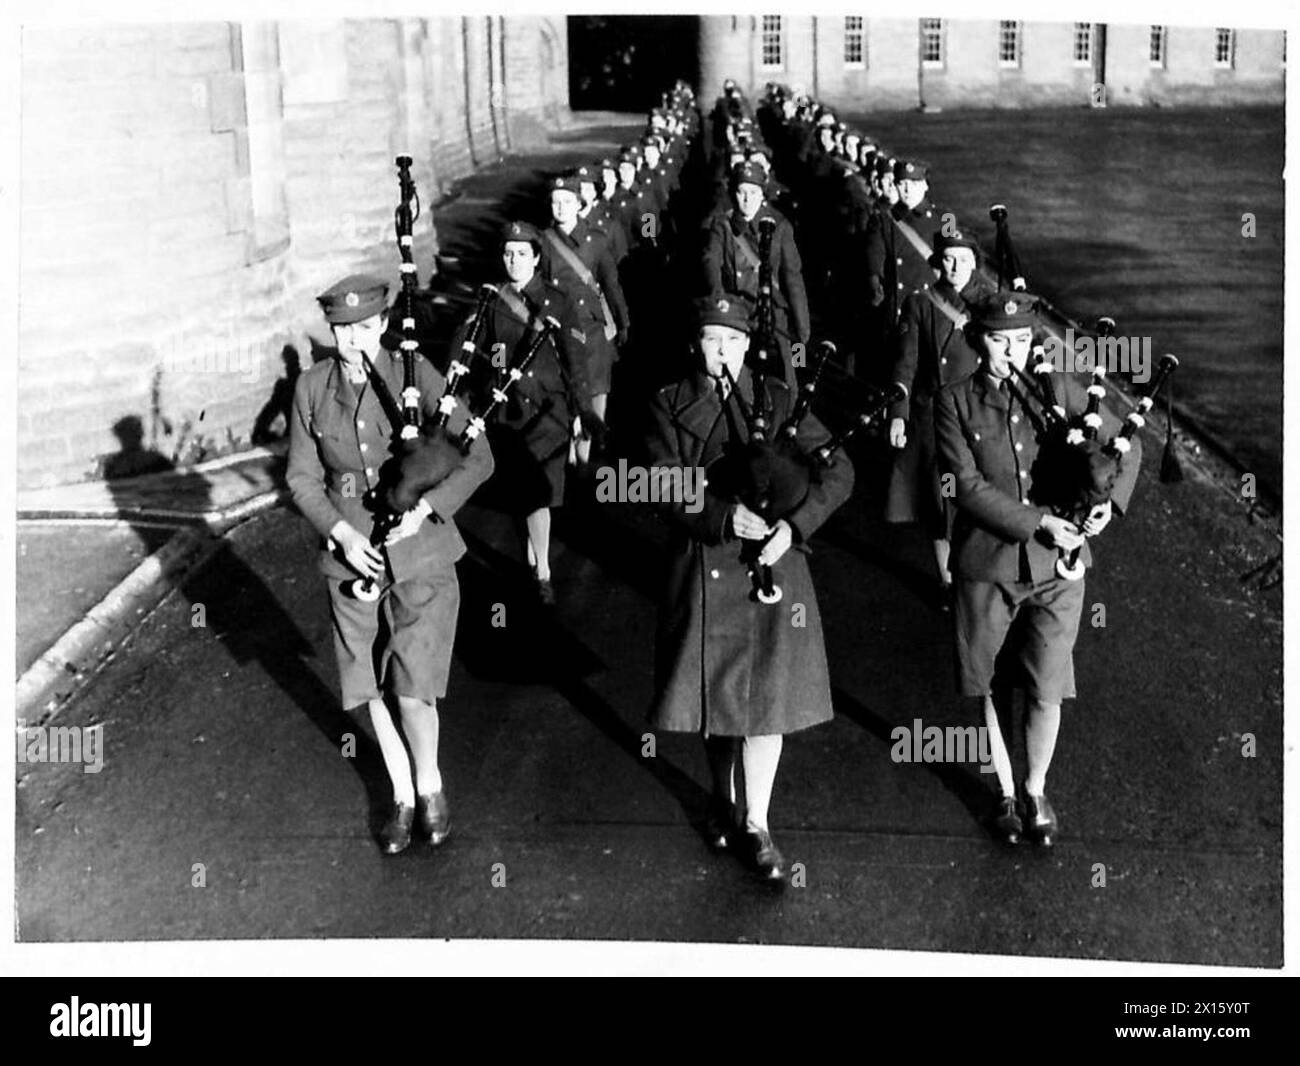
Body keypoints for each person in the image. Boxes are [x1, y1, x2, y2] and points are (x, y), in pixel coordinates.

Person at [645, 295, 854, 880]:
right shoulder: (667, 402)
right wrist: (719, 516)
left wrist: (796, 526)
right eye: (712, 339)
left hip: (774, 567)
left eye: (734, 341)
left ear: (747, 346)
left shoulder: (779, 399)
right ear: (696, 345)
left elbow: (839, 471)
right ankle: (722, 796)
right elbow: (658, 479)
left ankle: (757, 823)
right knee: (718, 701)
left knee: (767, 704)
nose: (723, 352)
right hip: (706, 560)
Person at [287, 274, 493, 855]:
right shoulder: (312, 387)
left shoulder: (414, 375)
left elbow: (478, 457)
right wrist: (340, 533)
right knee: (368, 685)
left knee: (411, 685)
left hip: (421, 555)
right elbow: (302, 476)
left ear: (382, 325)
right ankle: (401, 794)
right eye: (342, 330)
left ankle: (429, 784)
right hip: (351, 559)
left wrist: (425, 509)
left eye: (364, 328)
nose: (353, 340)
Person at [934, 292, 1141, 846]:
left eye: (1023, 340)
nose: (1013, 352)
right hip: (989, 561)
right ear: (977, 341)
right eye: (999, 341)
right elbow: (965, 486)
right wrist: (1038, 522)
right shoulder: (953, 401)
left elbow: (1126, 448)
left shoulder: (1063, 391)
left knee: (1048, 684)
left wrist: (1106, 503)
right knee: (991, 682)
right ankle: (1004, 791)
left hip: (1059, 568)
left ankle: (1035, 787)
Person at [458, 221, 602, 606]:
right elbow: (486, 350)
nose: (514, 260)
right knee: (521, 495)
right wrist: (492, 372)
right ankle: (532, 560)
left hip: (547, 410)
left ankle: (542, 572)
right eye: (508, 253)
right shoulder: (493, 299)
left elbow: (575, 360)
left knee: (537, 494)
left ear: (537, 258)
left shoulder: (558, 301)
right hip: (507, 412)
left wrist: (581, 410)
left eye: (522, 253)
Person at [885, 228, 995, 597]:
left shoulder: (991, 306)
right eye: (948, 259)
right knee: (939, 502)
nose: (956, 267)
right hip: (933, 417)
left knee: (979, 498)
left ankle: (977, 576)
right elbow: (906, 363)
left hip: (976, 415)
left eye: (964, 259)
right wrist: (898, 412)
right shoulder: (920, 303)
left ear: (975, 263)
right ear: (938, 263)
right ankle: (948, 582)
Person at [541, 174, 629, 465]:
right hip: (560, 330)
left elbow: (611, 284)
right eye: (555, 202)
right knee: (565, 394)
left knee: (595, 393)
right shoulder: (543, 242)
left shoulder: (597, 239)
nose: (561, 207)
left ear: (579, 204)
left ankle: (586, 459)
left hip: (592, 331)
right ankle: (567, 459)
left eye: (567, 201)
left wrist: (623, 321)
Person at [701, 160, 809, 388]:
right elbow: (711, 260)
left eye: (753, 192)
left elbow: (793, 278)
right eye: (741, 192)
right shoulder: (723, 225)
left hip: (771, 311)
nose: (747, 199)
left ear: (762, 195)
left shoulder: (780, 225)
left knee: (789, 372)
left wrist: (801, 328)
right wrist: (719, 299)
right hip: (737, 310)